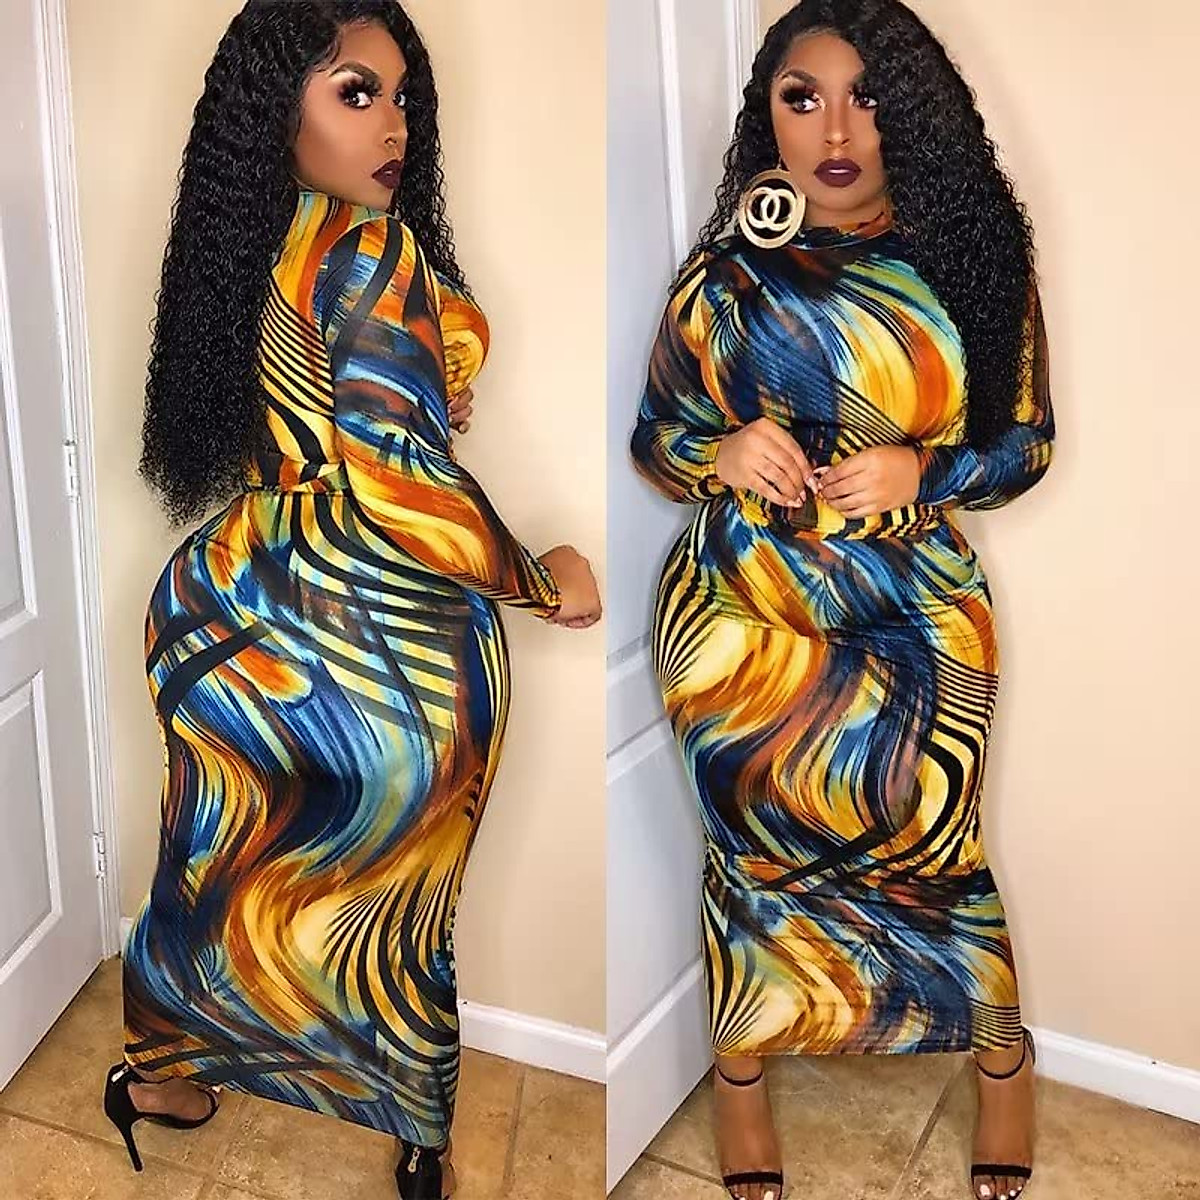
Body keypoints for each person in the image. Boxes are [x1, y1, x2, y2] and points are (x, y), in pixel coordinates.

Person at [102, 4, 600, 1198]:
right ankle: (418, 1135)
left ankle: (158, 1076)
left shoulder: (253, 242)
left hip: (226, 610)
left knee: (214, 865)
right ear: (280, 108)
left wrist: (424, 384)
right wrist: (545, 578)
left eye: (402, 96)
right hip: (374, 627)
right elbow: (401, 479)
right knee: (397, 909)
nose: (394, 125)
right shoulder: (373, 249)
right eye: (355, 91)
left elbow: (330, 414)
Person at [630, 3, 1053, 1199]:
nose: (834, 131)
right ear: (764, 116)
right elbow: (655, 439)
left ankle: (1002, 1061)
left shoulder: (972, 262)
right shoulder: (722, 274)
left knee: (938, 846)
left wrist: (926, 471)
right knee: (749, 858)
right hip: (737, 621)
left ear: (912, 114)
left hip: (912, 615)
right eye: (801, 97)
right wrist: (718, 451)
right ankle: (741, 1079)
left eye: (867, 98)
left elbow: (1027, 444)